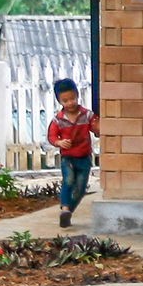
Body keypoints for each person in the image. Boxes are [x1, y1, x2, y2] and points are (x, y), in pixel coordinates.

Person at [47, 78, 98, 229]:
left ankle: (68, 212)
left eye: (72, 98)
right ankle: (65, 209)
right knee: (68, 181)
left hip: (84, 156)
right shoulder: (58, 120)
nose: (70, 103)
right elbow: (51, 136)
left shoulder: (87, 115)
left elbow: (97, 130)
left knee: (81, 188)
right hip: (68, 157)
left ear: (77, 95)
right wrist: (59, 142)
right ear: (59, 101)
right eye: (65, 100)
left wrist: (99, 127)